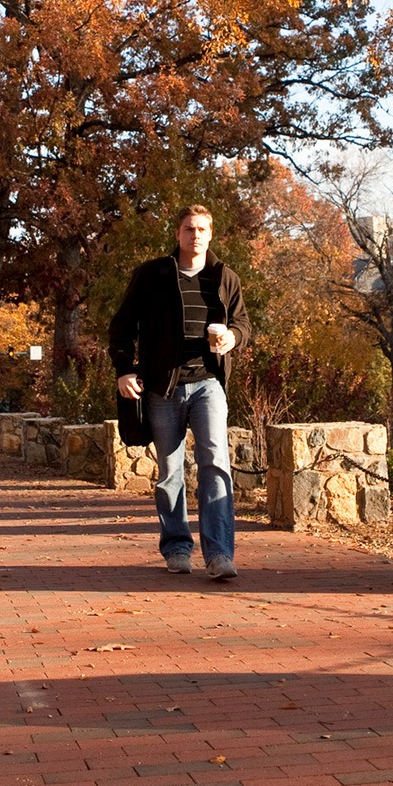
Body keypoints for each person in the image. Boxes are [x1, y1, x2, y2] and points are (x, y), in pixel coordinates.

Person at [109, 204, 252, 579]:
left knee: (215, 464)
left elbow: (243, 324)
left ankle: (220, 555)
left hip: (209, 384)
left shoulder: (225, 277)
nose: (196, 235)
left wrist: (231, 338)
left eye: (203, 229)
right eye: (189, 229)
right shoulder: (153, 275)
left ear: (211, 234)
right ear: (178, 234)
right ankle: (176, 549)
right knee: (170, 472)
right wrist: (125, 371)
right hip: (162, 387)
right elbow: (122, 325)